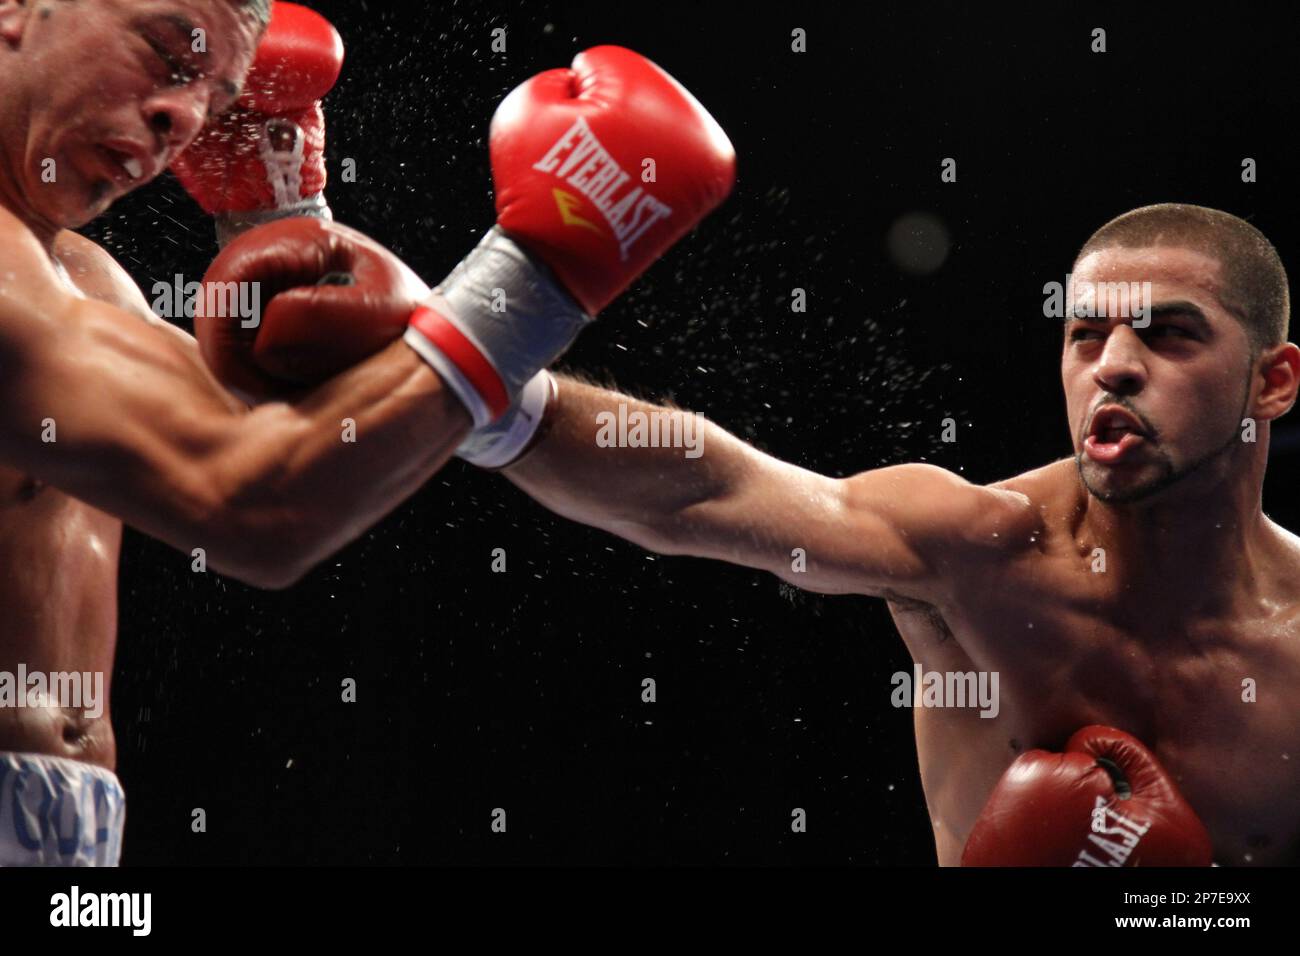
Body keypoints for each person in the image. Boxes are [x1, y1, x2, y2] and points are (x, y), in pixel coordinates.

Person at [0, 0, 734, 865]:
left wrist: (278, 220)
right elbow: (253, 504)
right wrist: (540, 276)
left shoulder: (84, 282)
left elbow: (322, 439)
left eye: (214, 94)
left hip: (72, 834)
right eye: (163, 53)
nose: (183, 118)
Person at [465, 202, 1300, 865]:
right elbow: (707, 490)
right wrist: (480, 393)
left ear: (1272, 381)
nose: (1112, 364)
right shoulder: (980, 552)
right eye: (1086, 333)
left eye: (1167, 332)